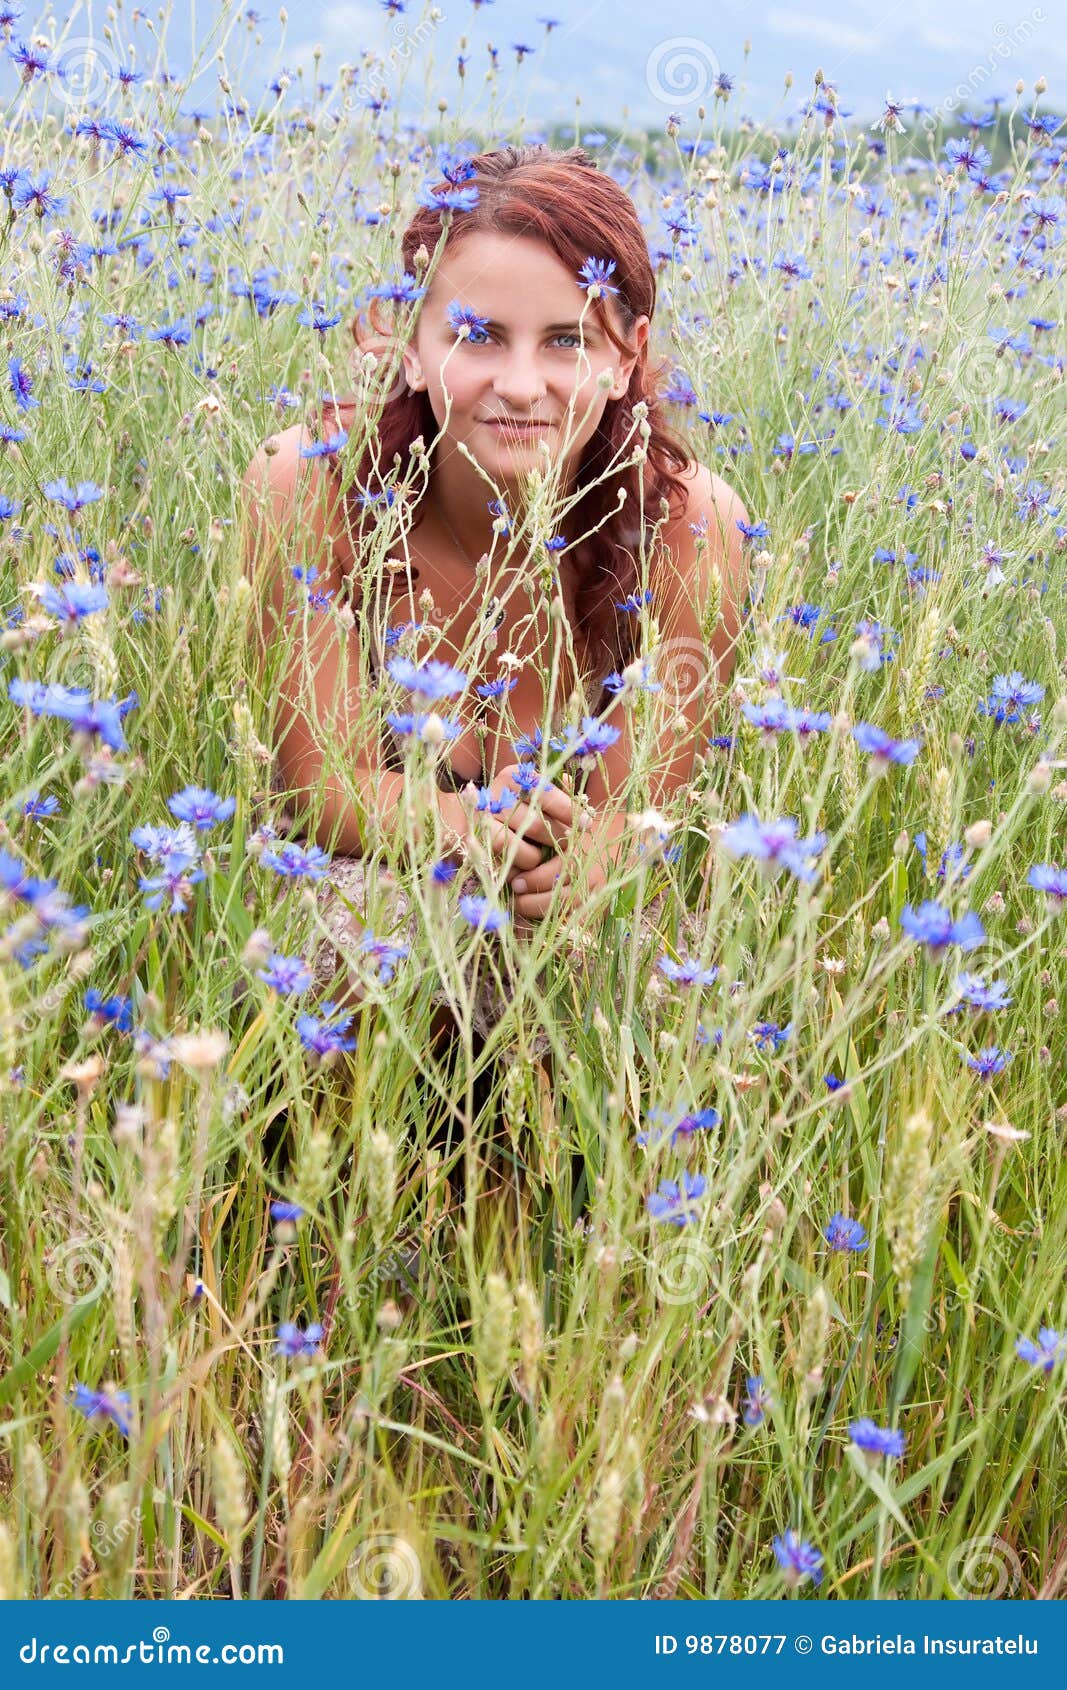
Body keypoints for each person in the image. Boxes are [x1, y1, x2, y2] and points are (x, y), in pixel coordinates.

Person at [239, 143, 749, 1063]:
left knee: (641, 987)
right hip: (366, 903)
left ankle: (552, 1159)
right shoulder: (308, 485)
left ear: (627, 355)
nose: (520, 385)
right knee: (343, 947)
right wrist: (477, 833)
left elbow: (638, 817)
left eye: (567, 340)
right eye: (477, 335)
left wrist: (596, 859)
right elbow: (322, 790)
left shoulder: (688, 527)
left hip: (564, 924)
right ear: (407, 342)